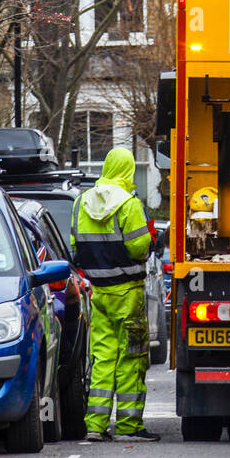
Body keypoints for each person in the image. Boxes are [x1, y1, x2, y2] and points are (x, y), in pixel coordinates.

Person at [70, 147, 160, 442]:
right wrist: (149, 243)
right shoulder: (129, 204)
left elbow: (75, 248)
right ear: (128, 170)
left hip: (99, 292)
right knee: (132, 358)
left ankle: (95, 426)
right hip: (128, 294)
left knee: (102, 356)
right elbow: (138, 247)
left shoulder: (81, 202)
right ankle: (128, 426)